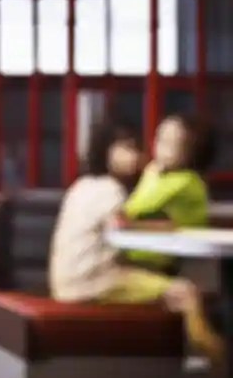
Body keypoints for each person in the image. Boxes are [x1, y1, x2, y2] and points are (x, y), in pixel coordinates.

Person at [50, 122, 224, 362]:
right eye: (125, 148)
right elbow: (123, 224)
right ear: (105, 150)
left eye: (136, 149)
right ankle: (216, 357)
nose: (135, 157)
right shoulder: (110, 190)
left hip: (67, 282)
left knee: (162, 286)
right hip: (95, 281)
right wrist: (166, 227)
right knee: (187, 293)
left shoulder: (82, 186)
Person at [120, 114, 216, 272]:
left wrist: (150, 175)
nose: (160, 148)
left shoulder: (187, 181)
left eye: (171, 142)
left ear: (190, 149)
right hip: (149, 255)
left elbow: (134, 208)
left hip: (170, 263)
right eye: (159, 139)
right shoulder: (164, 177)